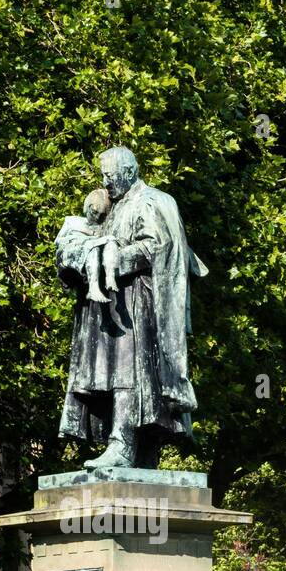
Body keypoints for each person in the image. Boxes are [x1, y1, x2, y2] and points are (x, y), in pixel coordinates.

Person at [57, 146, 208, 469]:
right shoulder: (113, 207)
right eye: (103, 177)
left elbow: (157, 247)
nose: (106, 183)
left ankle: (122, 446)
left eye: (110, 176)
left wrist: (114, 261)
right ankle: (139, 454)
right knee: (116, 379)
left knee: (127, 377)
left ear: (128, 171)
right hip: (110, 309)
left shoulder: (153, 201)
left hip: (139, 308)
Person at [54, 187, 118, 303]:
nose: (97, 217)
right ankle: (93, 288)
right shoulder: (72, 221)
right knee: (92, 247)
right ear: (88, 207)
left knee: (111, 240)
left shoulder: (101, 228)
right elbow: (59, 242)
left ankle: (110, 277)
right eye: (94, 212)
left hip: (89, 248)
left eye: (101, 215)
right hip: (72, 251)